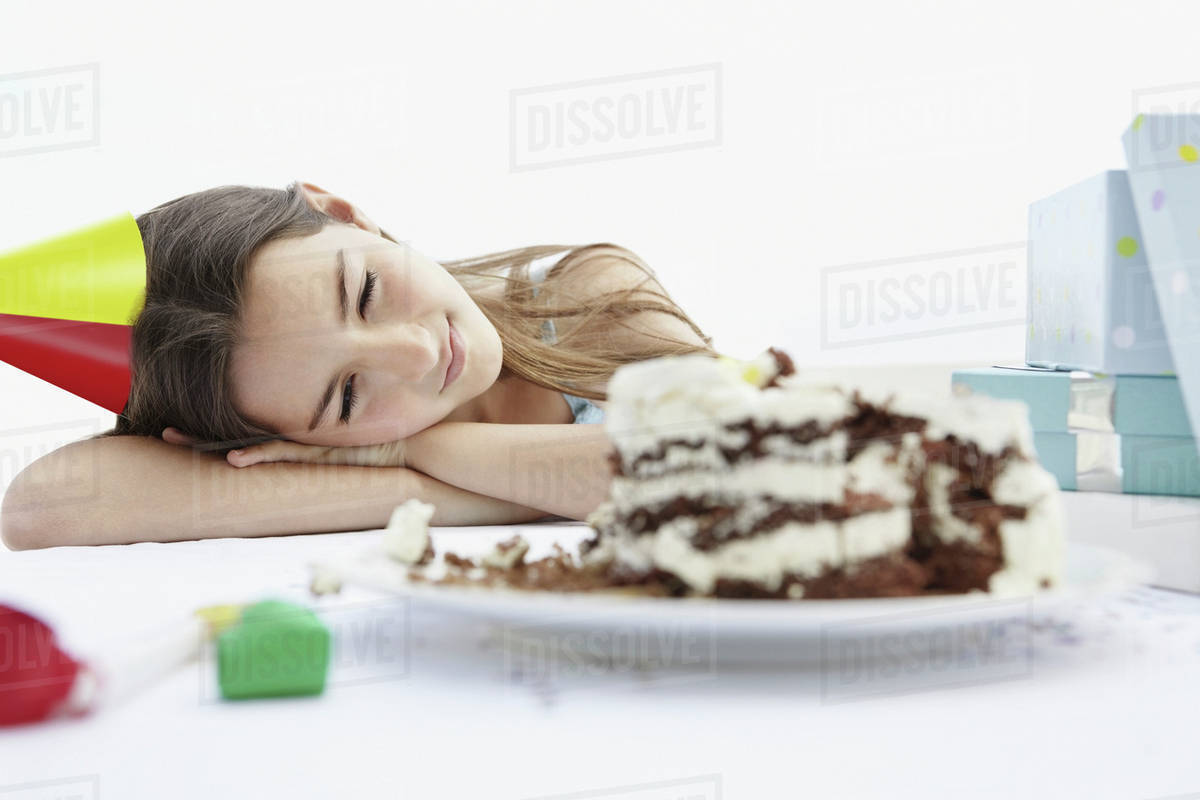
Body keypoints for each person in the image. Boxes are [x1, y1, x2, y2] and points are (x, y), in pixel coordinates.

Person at [1, 181, 717, 549]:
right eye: (345, 398)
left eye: (365, 292)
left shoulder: (597, 296)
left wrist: (411, 451)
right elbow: (41, 507)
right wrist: (443, 479)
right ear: (276, 444)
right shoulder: (352, 444)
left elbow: (717, 468)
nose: (415, 351)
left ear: (343, 211)